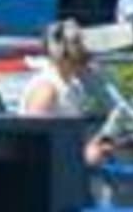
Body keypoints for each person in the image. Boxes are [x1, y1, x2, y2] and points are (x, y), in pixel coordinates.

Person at [20, 19, 120, 165]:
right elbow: (34, 146)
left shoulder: (73, 85)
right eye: (78, 47)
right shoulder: (46, 89)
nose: (86, 54)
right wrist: (84, 156)